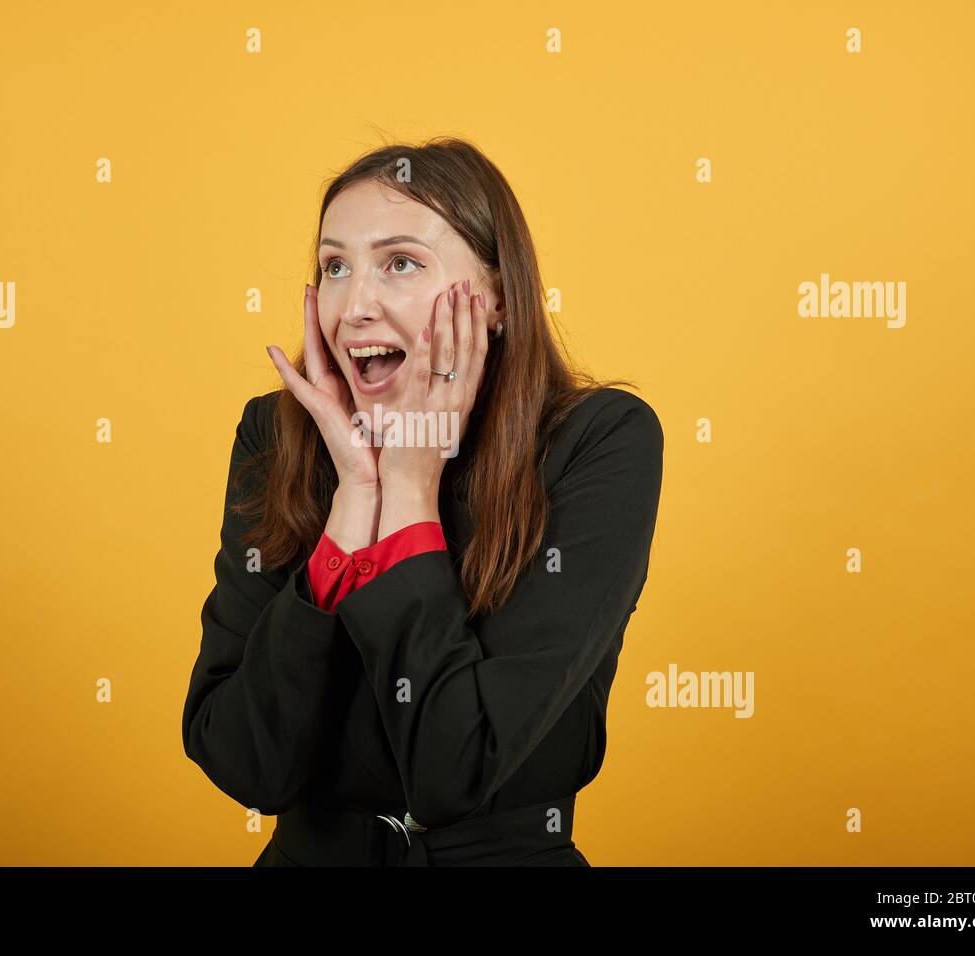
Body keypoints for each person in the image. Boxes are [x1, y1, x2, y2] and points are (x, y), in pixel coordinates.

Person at [182, 137, 664, 866]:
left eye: (400, 263)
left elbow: (455, 770)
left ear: (497, 298)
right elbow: (245, 761)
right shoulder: (275, 435)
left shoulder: (599, 443)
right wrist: (353, 508)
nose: (355, 307)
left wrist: (409, 490)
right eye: (335, 267)